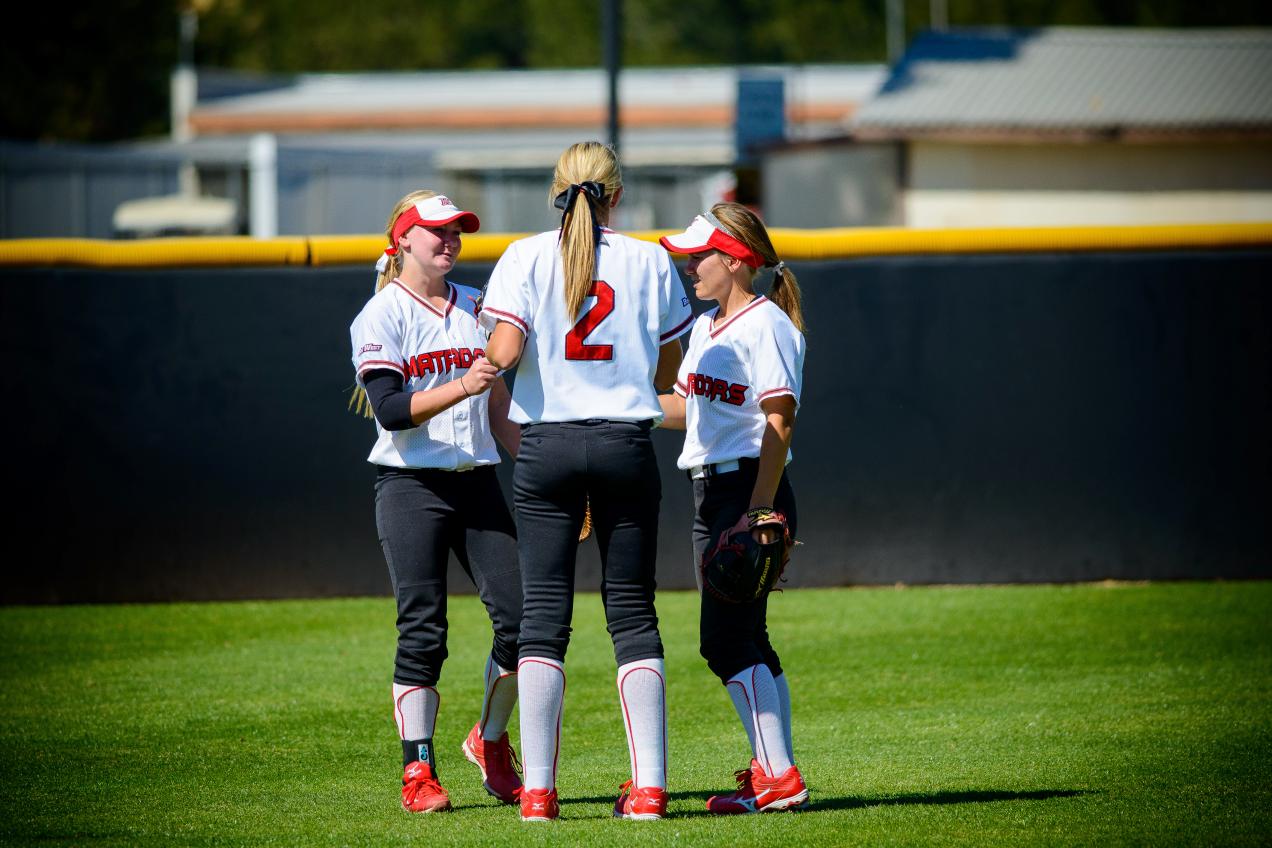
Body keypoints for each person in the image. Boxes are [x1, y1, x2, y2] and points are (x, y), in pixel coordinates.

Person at [478, 141, 694, 822]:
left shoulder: (522, 256)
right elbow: (667, 375)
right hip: (626, 442)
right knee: (634, 618)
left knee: (543, 620)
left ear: (555, 191)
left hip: (548, 446)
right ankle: (651, 791)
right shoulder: (651, 259)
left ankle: (538, 792)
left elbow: (506, 353)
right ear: (617, 195)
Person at [348, 190, 525, 813]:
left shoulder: (478, 306)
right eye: (436, 230)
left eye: (457, 230)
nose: (449, 239)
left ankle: (490, 740)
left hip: (476, 481)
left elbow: (500, 412)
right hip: (410, 485)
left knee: (523, 622)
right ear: (402, 238)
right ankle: (418, 771)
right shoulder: (381, 314)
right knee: (424, 629)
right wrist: (463, 383)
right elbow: (393, 412)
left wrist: (541, 471)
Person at [656, 202, 810, 814]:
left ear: (736, 259)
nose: (691, 265)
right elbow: (686, 411)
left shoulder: (766, 323)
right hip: (712, 490)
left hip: (749, 488)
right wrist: (619, 407)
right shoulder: (705, 327)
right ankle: (773, 774)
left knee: (723, 644)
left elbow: (780, 417)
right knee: (751, 640)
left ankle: (779, 774)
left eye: (701, 256)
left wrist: (759, 509)